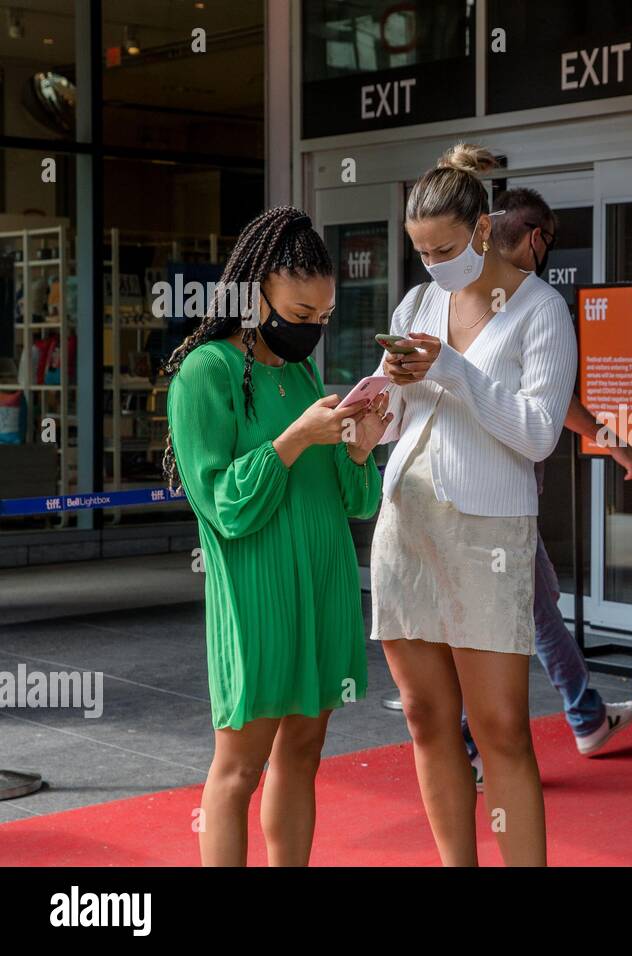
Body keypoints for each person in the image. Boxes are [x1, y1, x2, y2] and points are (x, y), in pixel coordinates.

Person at [369, 143, 577, 867]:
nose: (432, 265)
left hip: (489, 529)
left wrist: (451, 368)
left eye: (444, 248)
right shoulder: (418, 301)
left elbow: (539, 434)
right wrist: (370, 416)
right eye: (421, 251)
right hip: (407, 521)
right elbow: (400, 412)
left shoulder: (540, 309)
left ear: (483, 230)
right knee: (427, 719)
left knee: (500, 728)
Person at [162, 207, 389, 866]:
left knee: (304, 754)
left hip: (321, 586)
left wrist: (358, 448)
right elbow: (222, 505)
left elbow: (351, 499)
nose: (310, 330)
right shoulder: (204, 372)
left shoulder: (301, 374)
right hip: (256, 595)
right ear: (255, 292)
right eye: (298, 314)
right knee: (237, 770)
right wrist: (292, 441)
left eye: (322, 319)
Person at [459, 187, 632, 789]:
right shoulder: (527, 304)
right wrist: (612, 439)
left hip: (483, 495)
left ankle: (583, 716)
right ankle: (477, 741)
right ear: (535, 238)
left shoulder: (475, 298)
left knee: (530, 609)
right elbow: (549, 402)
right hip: (493, 497)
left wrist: (608, 439)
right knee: (510, 618)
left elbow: (549, 402)